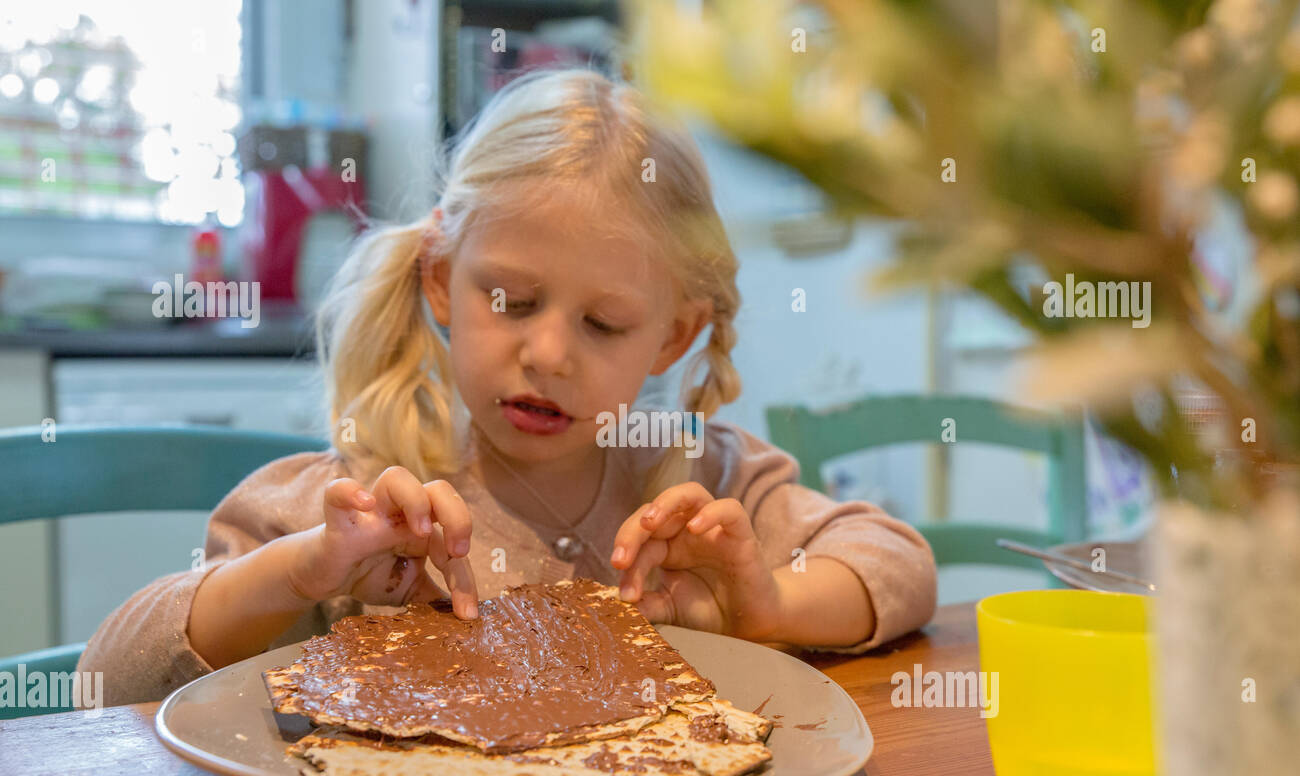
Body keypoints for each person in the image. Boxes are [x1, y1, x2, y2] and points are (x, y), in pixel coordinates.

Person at [78, 68, 936, 707]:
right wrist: (297, 575)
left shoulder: (701, 487)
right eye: (513, 301)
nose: (550, 352)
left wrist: (771, 604)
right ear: (444, 279)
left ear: (673, 336)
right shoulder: (363, 503)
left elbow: (901, 565)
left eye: (604, 325)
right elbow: (108, 679)